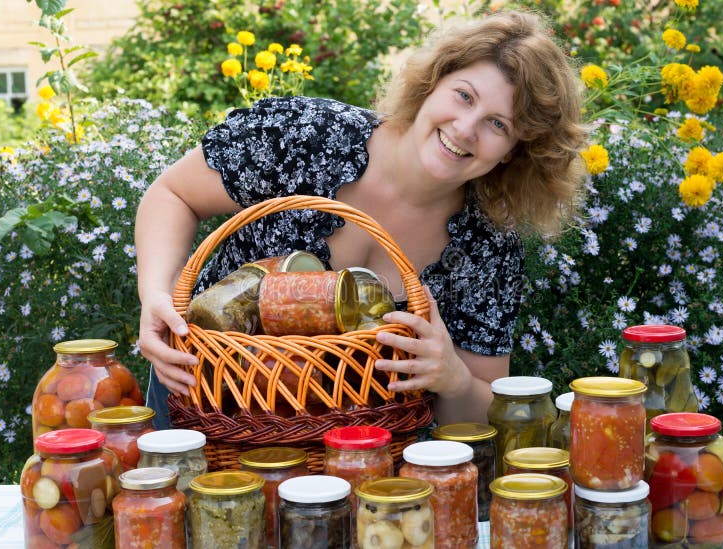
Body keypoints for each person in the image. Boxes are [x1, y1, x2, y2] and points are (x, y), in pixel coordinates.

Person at [135, 9, 588, 430]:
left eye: (498, 125)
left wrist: (454, 380)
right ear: (433, 81)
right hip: (196, 404)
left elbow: (476, 415)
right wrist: (155, 294)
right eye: (463, 96)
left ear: (517, 152)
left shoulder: (487, 248)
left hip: (350, 468)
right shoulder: (307, 134)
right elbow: (172, 194)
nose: (465, 127)